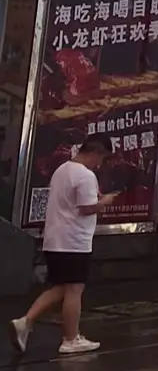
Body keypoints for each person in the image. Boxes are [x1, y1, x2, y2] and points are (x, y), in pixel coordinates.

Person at [11, 134, 107, 357]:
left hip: (54, 238)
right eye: (100, 159)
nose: (99, 164)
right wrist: (104, 202)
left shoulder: (62, 169)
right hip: (74, 241)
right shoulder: (85, 175)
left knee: (60, 287)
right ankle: (71, 339)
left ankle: (25, 322)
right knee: (75, 289)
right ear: (94, 153)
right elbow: (86, 207)